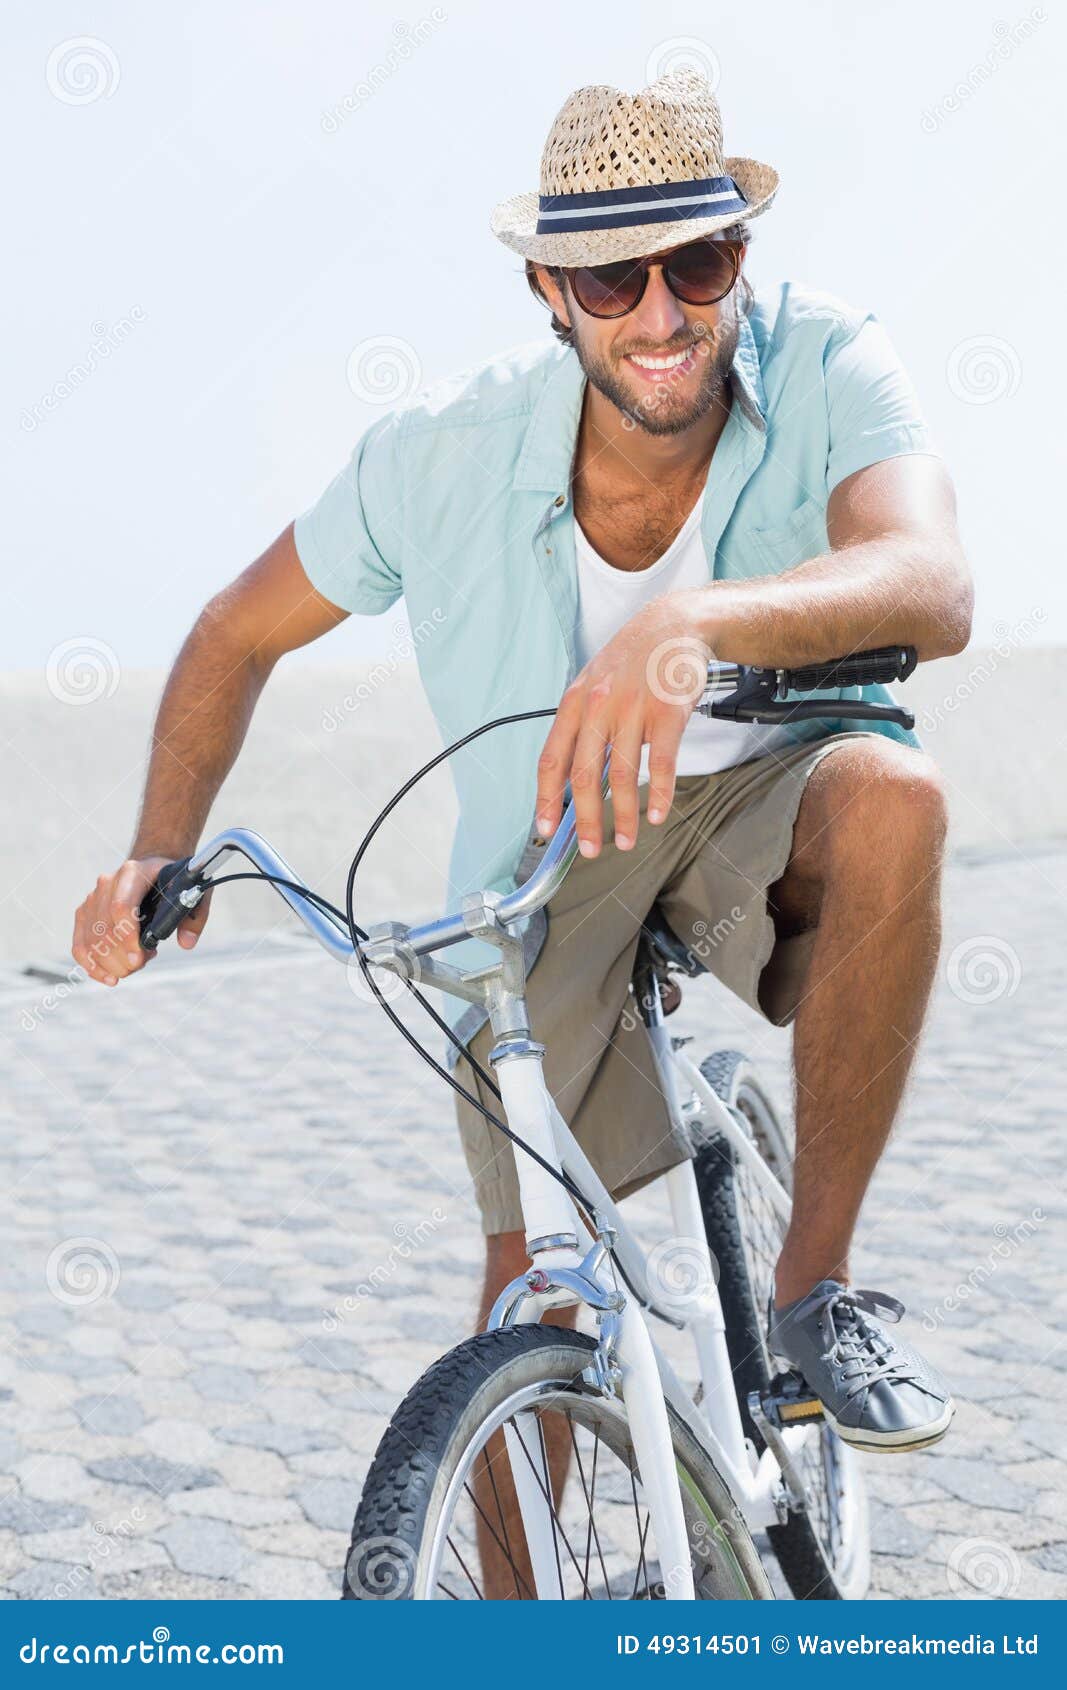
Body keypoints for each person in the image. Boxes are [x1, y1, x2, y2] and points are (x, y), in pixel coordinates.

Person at [74, 72, 971, 1474]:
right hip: (554, 860)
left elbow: (932, 581)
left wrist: (689, 624)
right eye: (612, 278)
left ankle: (814, 1295)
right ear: (551, 292)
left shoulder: (827, 361)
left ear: (741, 257)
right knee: (531, 1295)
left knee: (896, 801)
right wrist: (159, 846)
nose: (661, 315)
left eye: (696, 262)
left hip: (772, 794)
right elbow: (233, 633)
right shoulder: (440, 455)